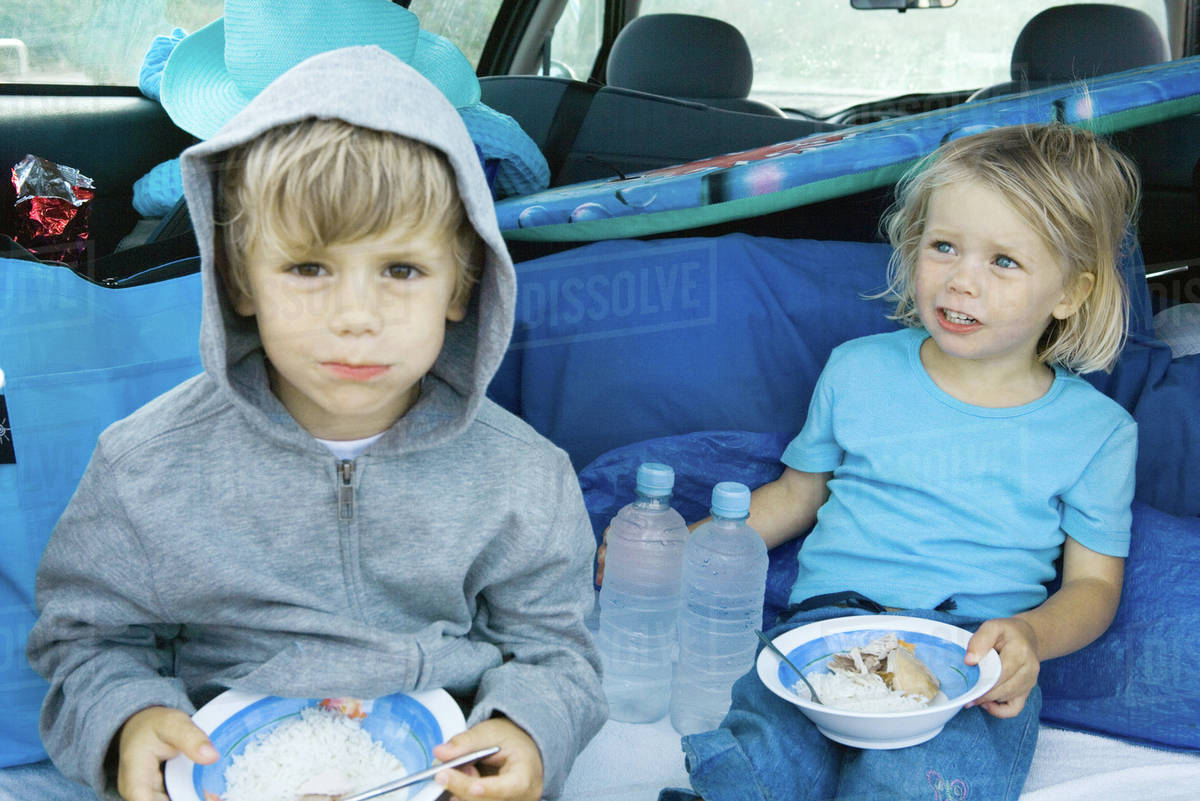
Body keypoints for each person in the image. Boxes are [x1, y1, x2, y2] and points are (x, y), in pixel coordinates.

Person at [15, 46, 604, 801]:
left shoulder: (525, 476)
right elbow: (85, 640)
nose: (356, 317)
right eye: (308, 268)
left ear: (462, 285)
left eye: (401, 270)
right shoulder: (144, 465)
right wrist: (129, 718)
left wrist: (527, 730)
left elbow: (556, 652)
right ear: (239, 279)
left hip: (441, 773)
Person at [660, 123, 1140, 801]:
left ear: (1070, 292)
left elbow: (1094, 587)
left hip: (971, 658)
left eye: (1004, 261)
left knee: (923, 784)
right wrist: (679, 548)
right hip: (825, 630)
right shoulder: (857, 370)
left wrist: (1028, 637)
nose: (961, 281)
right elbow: (796, 496)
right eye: (943, 246)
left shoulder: (1098, 432)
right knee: (754, 760)